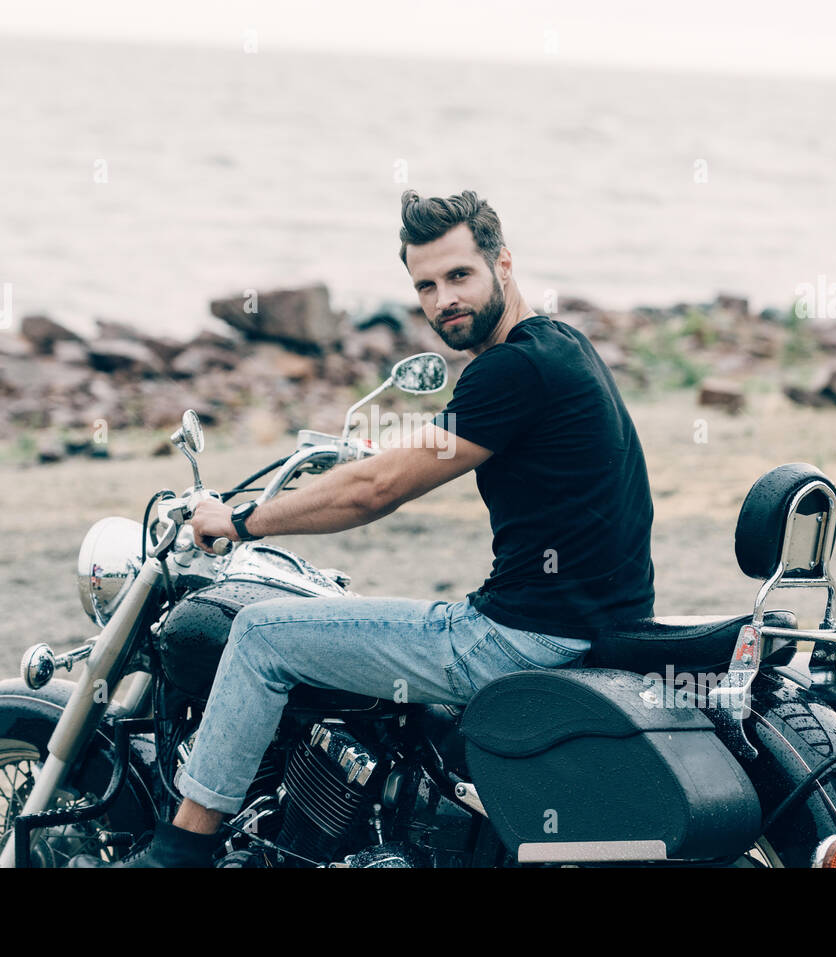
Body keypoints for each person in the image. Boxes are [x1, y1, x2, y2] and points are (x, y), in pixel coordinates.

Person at [73, 189, 656, 867]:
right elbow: (409, 457)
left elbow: (377, 489)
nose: (444, 301)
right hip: (595, 622)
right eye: (426, 287)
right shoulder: (560, 347)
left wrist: (241, 519)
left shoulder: (512, 370)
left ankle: (180, 850)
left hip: (519, 637)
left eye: (459, 276)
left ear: (503, 265)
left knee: (263, 634)